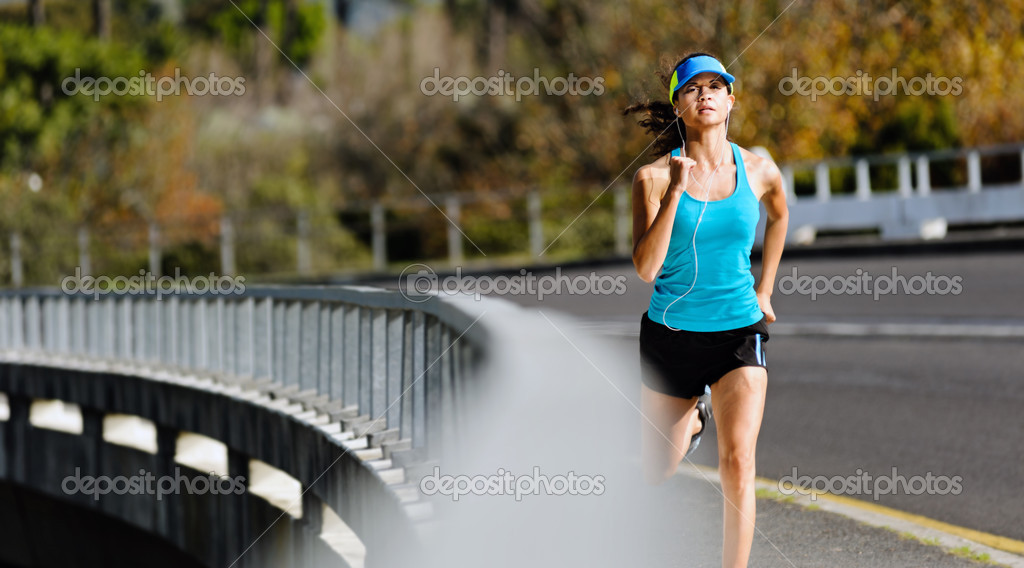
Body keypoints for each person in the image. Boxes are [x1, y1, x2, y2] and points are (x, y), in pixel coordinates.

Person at [624, 52, 789, 568]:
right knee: (656, 469)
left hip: (738, 332)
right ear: (678, 106)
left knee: (739, 459)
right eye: (693, 88)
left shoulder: (759, 169)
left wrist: (765, 291)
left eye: (717, 86)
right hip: (672, 338)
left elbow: (780, 216)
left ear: (731, 100)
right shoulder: (651, 179)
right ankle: (695, 417)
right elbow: (646, 269)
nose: (706, 94)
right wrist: (677, 187)